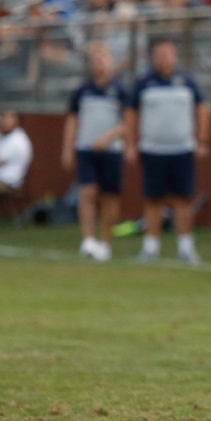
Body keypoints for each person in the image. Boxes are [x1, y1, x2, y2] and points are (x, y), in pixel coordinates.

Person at [125, 40, 211, 264]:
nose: (163, 58)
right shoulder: (144, 83)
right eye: (159, 54)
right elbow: (131, 114)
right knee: (153, 199)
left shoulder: (187, 82)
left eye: (167, 54)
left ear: (174, 56)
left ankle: (186, 247)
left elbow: (202, 109)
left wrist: (201, 140)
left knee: (182, 199)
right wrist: (131, 144)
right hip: (153, 149)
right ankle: (150, 247)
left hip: (181, 149)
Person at [61, 42, 127, 261]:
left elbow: (128, 123)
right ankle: (88, 240)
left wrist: (107, 138)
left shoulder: (120, 90)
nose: (99, 64)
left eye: (103, 59)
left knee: (110, 197)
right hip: (86, 149)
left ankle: (106, 242)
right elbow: (72, 120)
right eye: (95, 59)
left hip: (112, 150)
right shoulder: (82, 90)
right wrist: (67, 148)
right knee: (87, 192)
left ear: (110, 62)